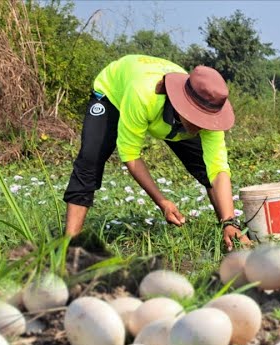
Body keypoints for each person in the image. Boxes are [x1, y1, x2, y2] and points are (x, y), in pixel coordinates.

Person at [63, 54, 250, 250]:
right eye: (197, 118)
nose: (202, 126)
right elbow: (130, 154)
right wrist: (162, 202)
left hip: (165, 107)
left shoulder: (209, 112)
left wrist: (231, 221)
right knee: (89, 162)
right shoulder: (143, 95)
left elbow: (218, 169)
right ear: (183, 106)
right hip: (112, 95)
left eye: (206, 120)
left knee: (204, 168)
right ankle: (70, 246)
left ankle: (229, 235)